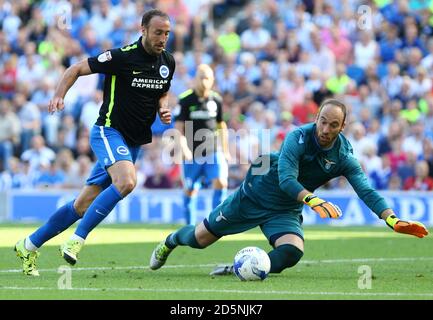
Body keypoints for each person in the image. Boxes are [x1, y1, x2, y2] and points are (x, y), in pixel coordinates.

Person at [149, 99, 428, 276]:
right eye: (322, 121)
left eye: (333, 125)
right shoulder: (297, 137)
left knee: (292, 251)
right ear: (316, 117)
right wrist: (312, 200)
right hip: (255, 194)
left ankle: (242, 269)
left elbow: (366, 190)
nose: (325, 129)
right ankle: (170, 241)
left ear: (342, 127)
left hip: (285, 208)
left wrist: (391, 218)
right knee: (200, 239)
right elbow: (286, 179)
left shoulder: (344, 157)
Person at [14, 9, 175, 276]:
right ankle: (77, 240)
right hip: (108, 131)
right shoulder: (121, 57)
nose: (163, 38)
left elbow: (163, 90)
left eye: (167, 33)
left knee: (82, 204)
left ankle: (28, 245)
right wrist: (58, 95)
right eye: (158, 32)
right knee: (126, 182)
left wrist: (163, 107)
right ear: (143, 29)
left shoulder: (167, 61)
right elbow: (75, 68)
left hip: (133, 141)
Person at [175, 64, 230, 225]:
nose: (204, 81)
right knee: (190, 190)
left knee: (221, 181)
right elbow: (179, 128)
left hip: (213, 150)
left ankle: (216, 223)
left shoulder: (216, 100)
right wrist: (183, 147)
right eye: (201, 77)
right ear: (195, 79)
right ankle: (189, 226)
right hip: (192, 152)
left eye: (207, 78)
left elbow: (221, 126)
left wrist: (225, 150)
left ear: (212, 80)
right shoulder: (185, 99)